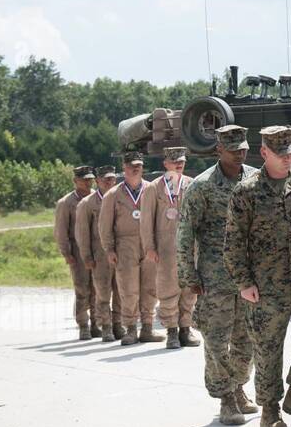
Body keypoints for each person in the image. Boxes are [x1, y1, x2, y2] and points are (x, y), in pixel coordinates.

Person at [224, 125, 291, 427]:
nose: (288, 159)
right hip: (266, 286)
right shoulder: (246, 192)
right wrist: (244, 282)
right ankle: (270, 409)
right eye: (281, 154)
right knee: (268, 348)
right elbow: (232, 243)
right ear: (264, 153)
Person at [177, 125, 259, 425]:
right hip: (214, 277)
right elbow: (185, 233)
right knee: (215, 339)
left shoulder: (254, 179)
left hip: (248, 277)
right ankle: (225, 396)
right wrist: (188, 275)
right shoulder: (202, 186)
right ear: (219, 151)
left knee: (246, 338)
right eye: (234, 149)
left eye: (244, 148)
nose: (241, 153)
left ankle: (239, 386)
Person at [99, 152, 162, 345]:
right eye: (132, 165)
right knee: (128, 288)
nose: (136, 168)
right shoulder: (113, 195)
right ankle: (131, 329)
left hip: (149, 243)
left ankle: (148, 328)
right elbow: (104, 225)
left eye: (140, 165)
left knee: (150, 287)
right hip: (125, 245)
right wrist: (109, 249)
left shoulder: (152, 189)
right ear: (124, 167)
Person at [141, 147, 199, 349]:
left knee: (189, 289)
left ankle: (186, 329)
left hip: (189, 247)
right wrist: (149, 247)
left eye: (181, 160)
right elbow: (146, 221)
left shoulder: (192, 184)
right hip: (165, 248)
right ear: (165, 163)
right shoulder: (153, 188)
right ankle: (172, 331)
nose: (179, 164)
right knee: (168, 289)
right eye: (174, 161)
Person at [76, 166, 124, 341]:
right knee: (103, 293)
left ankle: (118, 325)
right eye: (105, 179)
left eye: (112, 179)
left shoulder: (121, 199)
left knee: (120, 292)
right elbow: (82, 233)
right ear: (97, 181)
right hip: (99, 256)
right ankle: (106, 327)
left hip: (121, 254)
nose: (109, 182)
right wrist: (87, 257)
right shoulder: (88, 203)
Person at [54, 166, 96, 341]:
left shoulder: (97, 197)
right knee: (82, 288)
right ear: (75, 181)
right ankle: (83, 324)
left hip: (96, 249)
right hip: (77, 250)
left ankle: (96, 323)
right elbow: (61, 231)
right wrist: (66, 253)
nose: (88, 182)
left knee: (98, 288)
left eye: (90, 179)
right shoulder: (66, 203)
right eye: (84, 179)